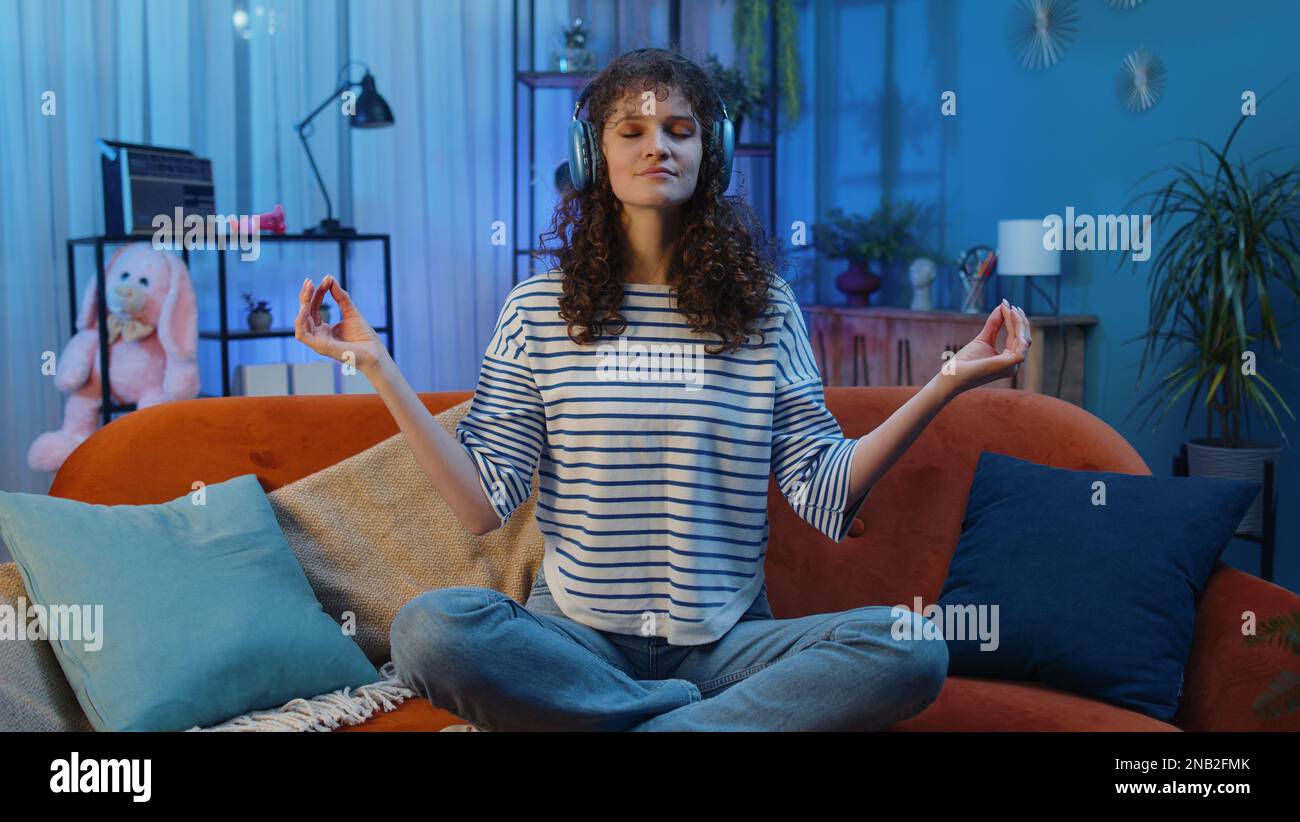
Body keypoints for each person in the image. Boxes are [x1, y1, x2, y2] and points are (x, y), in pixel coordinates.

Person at [293, 47, 1031, 731]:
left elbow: (827, 496)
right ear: (594, 155)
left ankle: (639, 721)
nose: (659, 146)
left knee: (911, 645)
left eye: (680, 129)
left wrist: (946, 383)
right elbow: (481, 506)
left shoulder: (767, 309)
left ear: (710, 153)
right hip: (572, 643)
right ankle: (684, 718)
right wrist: (377, 367)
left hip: (731, 645)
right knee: (430, 630)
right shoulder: (537, 309)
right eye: (633, 130)